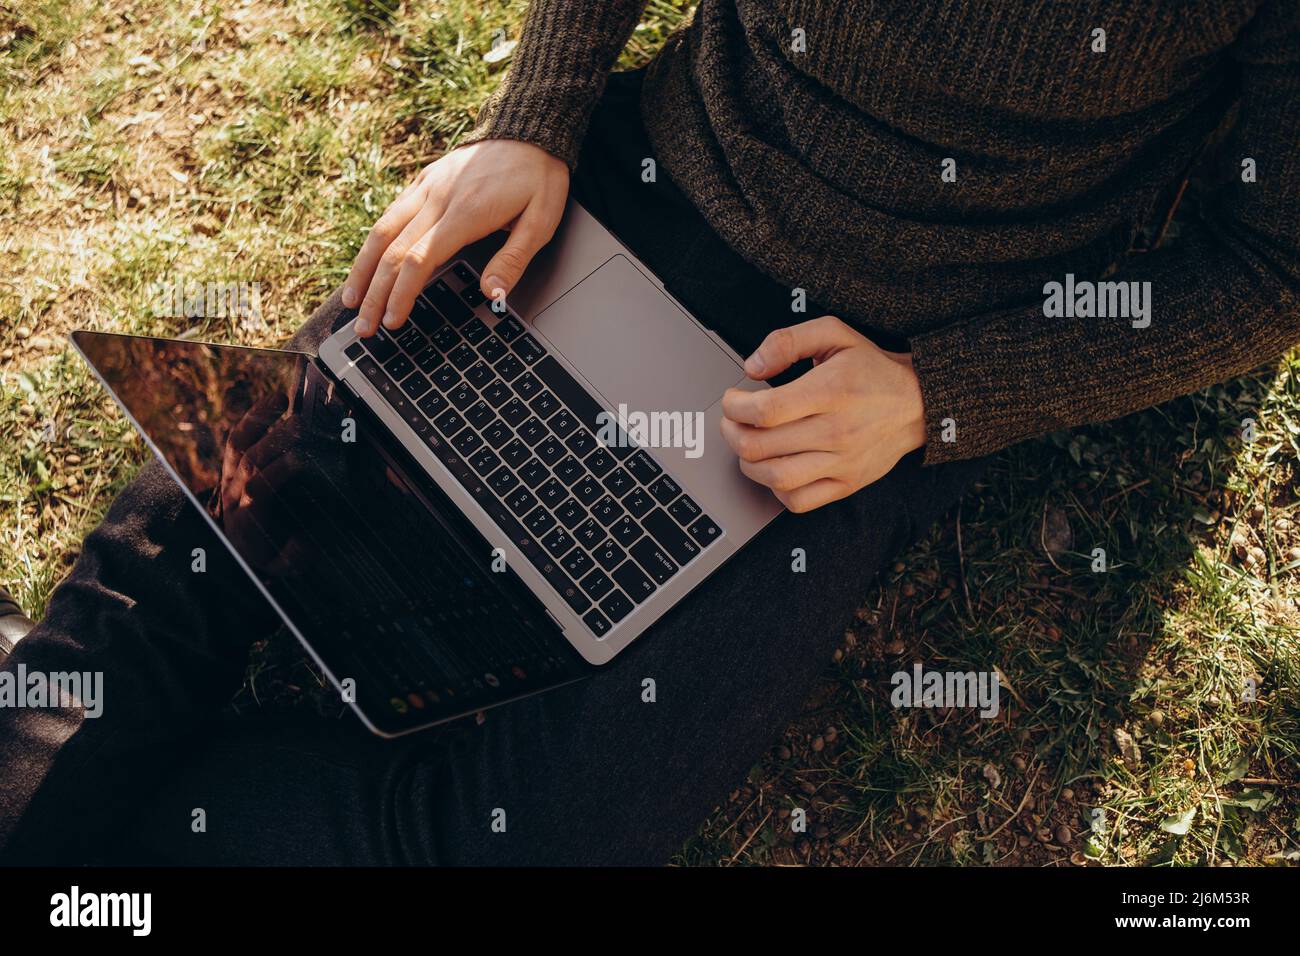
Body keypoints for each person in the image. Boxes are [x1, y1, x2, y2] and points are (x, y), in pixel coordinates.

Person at [1, 0, 1297, 865]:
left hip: (845, 382)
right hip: (616, 199)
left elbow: (1271, 269)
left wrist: (938, 394)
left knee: (534, 837)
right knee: (195, 545)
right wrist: (533, 122)